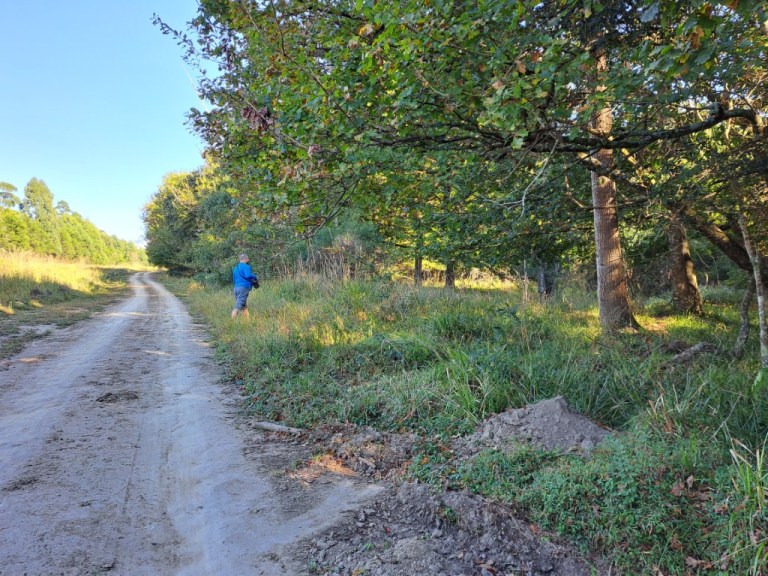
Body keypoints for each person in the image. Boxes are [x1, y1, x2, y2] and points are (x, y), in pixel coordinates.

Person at [231, 253, 259, 319]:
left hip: (236, 288)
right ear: (245, 259)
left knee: (243, 305)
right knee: (237, 307)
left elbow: (234, 280)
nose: (248, 260)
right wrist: (255, 276)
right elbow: (248, 275)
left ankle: (247, 320)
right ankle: (231, 323)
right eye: (248, 258)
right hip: (243, 288)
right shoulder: (246, 266)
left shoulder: (235, 268)